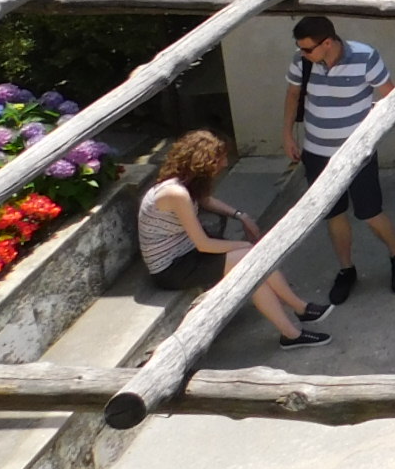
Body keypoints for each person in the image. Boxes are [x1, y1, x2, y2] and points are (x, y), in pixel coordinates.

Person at [138, 130, 331, 348]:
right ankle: (298, 314)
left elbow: (206, 201)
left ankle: (294, 326)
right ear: (204, 162)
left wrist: (241, 216)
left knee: (250, 269)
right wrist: (246, 245)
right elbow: (204, 244)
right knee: (249, 258)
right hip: (172, 269)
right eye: (220, 159)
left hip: (187, 253)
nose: (224, 163)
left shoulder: (183, 184)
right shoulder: (176, 194)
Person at [282, 16, 395, 304]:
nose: (303, 54)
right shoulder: (302, 61)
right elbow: (292, 96)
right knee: (333, 213)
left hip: (357, 151)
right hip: (316, 152)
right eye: (300, 49)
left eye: (307, 49)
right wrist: (288, 135)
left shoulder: (365, 57)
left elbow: (392, 94)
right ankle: (346, 270)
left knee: (369, 212)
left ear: (327, 42)